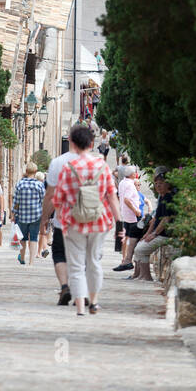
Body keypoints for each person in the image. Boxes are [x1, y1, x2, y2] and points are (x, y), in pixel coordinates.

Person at [53, 123, 119, 316]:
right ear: (92, 143)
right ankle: (94, 302)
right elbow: (111, 196)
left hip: (74, 222)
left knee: (76, 266)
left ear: (72, 143)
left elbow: (58, 199)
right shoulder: (102, 166)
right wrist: (119, 222)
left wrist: (61, 219)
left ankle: (80, 306)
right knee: (94, 262)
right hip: (99, 222)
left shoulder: (68, 168)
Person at [40, 126, 97, 305]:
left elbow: (50, 195)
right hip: (88, 218)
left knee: (60, 254)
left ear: (70, 141)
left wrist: (44, 218)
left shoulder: (58, 163)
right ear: (91, 143)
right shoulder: (95, 163)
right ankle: (84, 292)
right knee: (85, 256)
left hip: (62, 219)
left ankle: (65, 286)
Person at [131, 168, 176, 281]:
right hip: (159, 233)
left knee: (140, 249)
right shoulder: (161, 197)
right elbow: (156, 218)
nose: (157, 186)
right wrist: (147, 233)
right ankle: (141, 275)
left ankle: (146, 276)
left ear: (167, 184)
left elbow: (165, 219)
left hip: (166, 235)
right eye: (156, 184)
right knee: (140, 245)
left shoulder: (169, 198)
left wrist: (154, 234)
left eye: (160, 184)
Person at [13, 161, 45, 266]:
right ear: (35, 172)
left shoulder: (20, 184)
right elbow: (43, 201)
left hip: (22, 215)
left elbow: (16, 201)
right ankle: (31, 262)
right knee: (34, 238)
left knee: (22, 238)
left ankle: (22, 258)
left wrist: (14, 213)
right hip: (36, 215)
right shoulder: (40, 185)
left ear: (26, 171)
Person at [113, 164, 142, 272]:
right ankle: (128, 261)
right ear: (132, 174)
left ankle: (125, 259)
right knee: (134, 239)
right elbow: (127, 199)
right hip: (132, 215)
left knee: (126, 237)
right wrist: (136, 210)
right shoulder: (130, 185)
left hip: (125, 214)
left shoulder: (122, 182)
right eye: (135, 172)